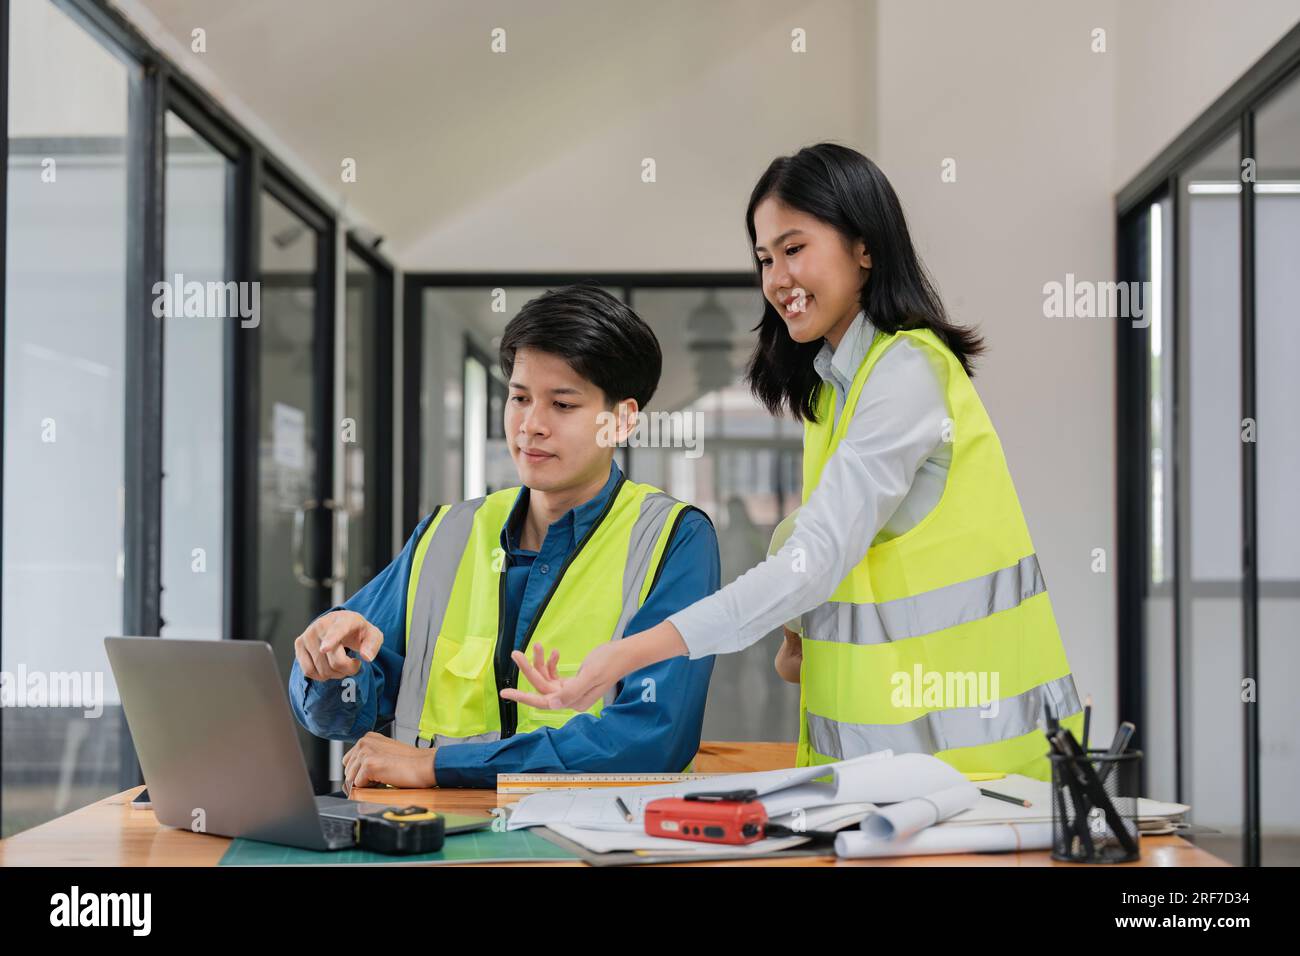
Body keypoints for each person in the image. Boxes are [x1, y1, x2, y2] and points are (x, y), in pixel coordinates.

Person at [502, 144, 1084, 781]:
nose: (777, 278)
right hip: (896, 778)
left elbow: (812, 565)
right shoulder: (836, 392)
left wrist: (623, 657)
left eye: (794, 248)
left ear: (865, 247)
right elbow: (837, 580)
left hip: (979, 772)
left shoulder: (907, 371)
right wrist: (806, 630)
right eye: (763, 258)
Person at [289, 285, 718, 790]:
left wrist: (436, 768)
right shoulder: (448, 533)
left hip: (598, 845)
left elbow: (650, 740)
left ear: (620, 421)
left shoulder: (674, 539)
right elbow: (342, 716)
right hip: (435, 837)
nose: (530, 425)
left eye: (562, 404)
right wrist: (329, 668)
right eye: (519, 398)